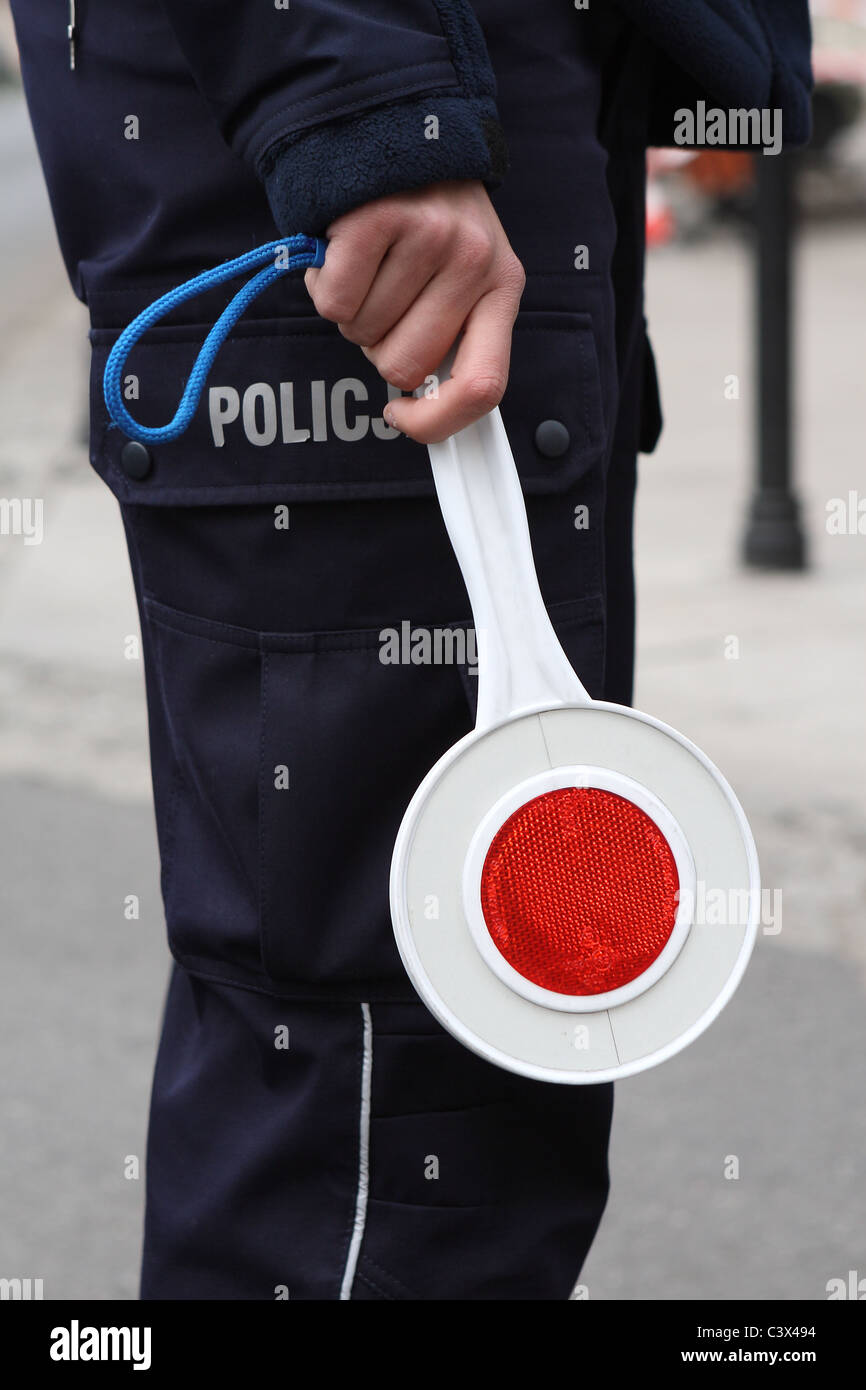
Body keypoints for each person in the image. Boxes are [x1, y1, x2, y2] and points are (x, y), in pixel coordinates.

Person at [11, 1, 812, 1300]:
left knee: (461, 1054)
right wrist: (362, 99)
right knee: (385, 1076)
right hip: (385, 110)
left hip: (461, 94)